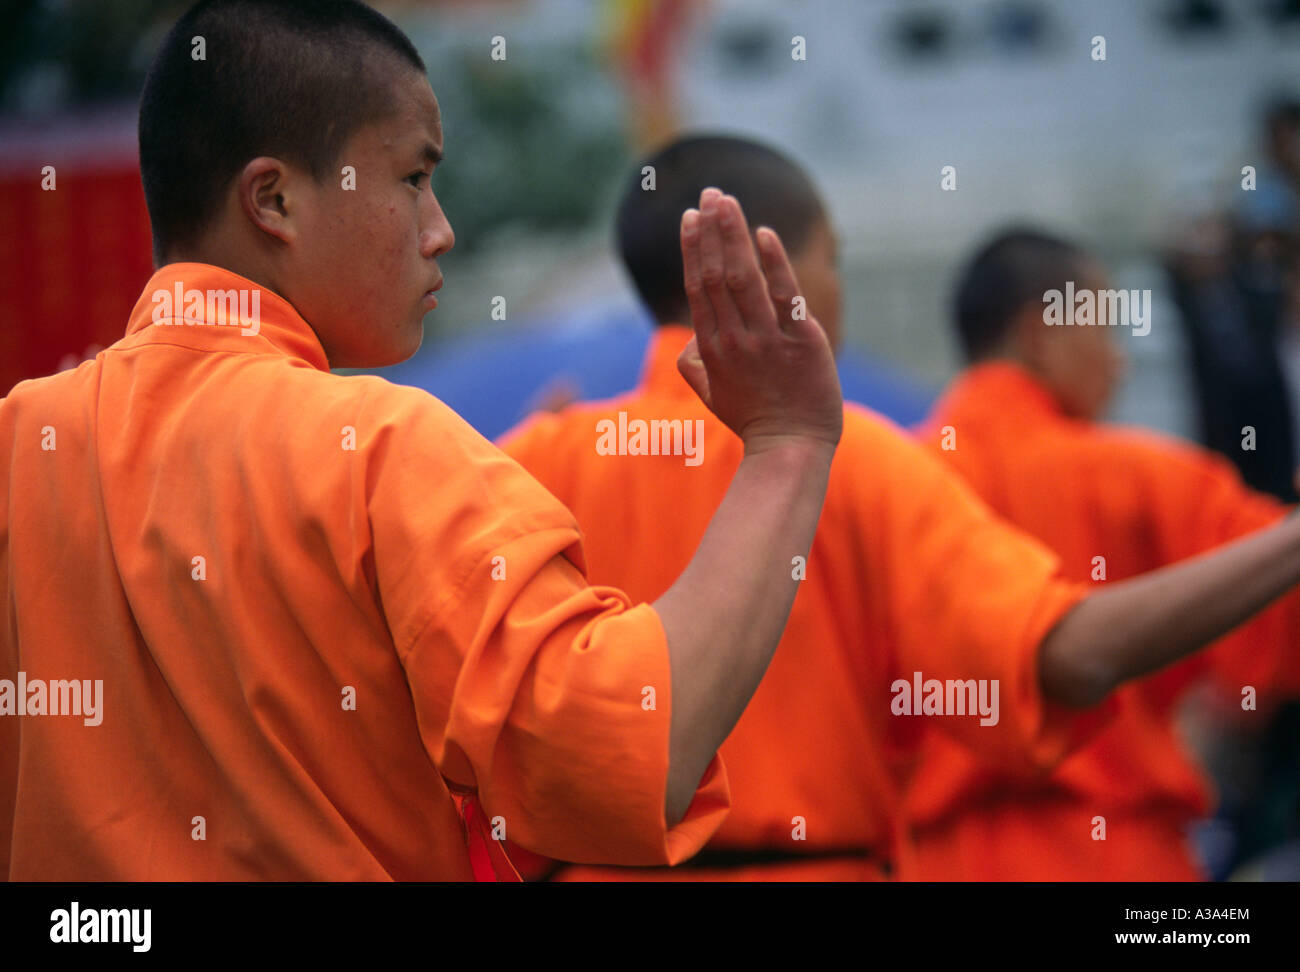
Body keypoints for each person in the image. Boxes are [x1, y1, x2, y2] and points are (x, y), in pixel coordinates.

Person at [0, 0, 848, 880]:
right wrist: (786, 444)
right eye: (412, 179)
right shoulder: (376, 449)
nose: (440, 229)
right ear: (275, 199)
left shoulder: (23, 440)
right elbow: (629, 741)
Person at [502, 135, 1300, 881]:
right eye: (833, 259)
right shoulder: (857, 460)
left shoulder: (533, 465)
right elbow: (1061, 655)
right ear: (770, 270)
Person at [910, 227, 1300, 879]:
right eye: (1106, 331)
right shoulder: (1144, 479)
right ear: (1042, 332)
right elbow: (1280, 623)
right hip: (1118, 860)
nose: (1119, 363)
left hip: (938, 861)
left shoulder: (888, 484)